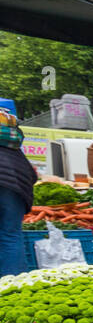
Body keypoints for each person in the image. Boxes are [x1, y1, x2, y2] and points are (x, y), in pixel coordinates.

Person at [0, 109, 36, 277]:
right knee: (11, 236)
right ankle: (12, 287)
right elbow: (32, 175)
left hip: (11, 187)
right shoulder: (14, 150)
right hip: (13, 190)